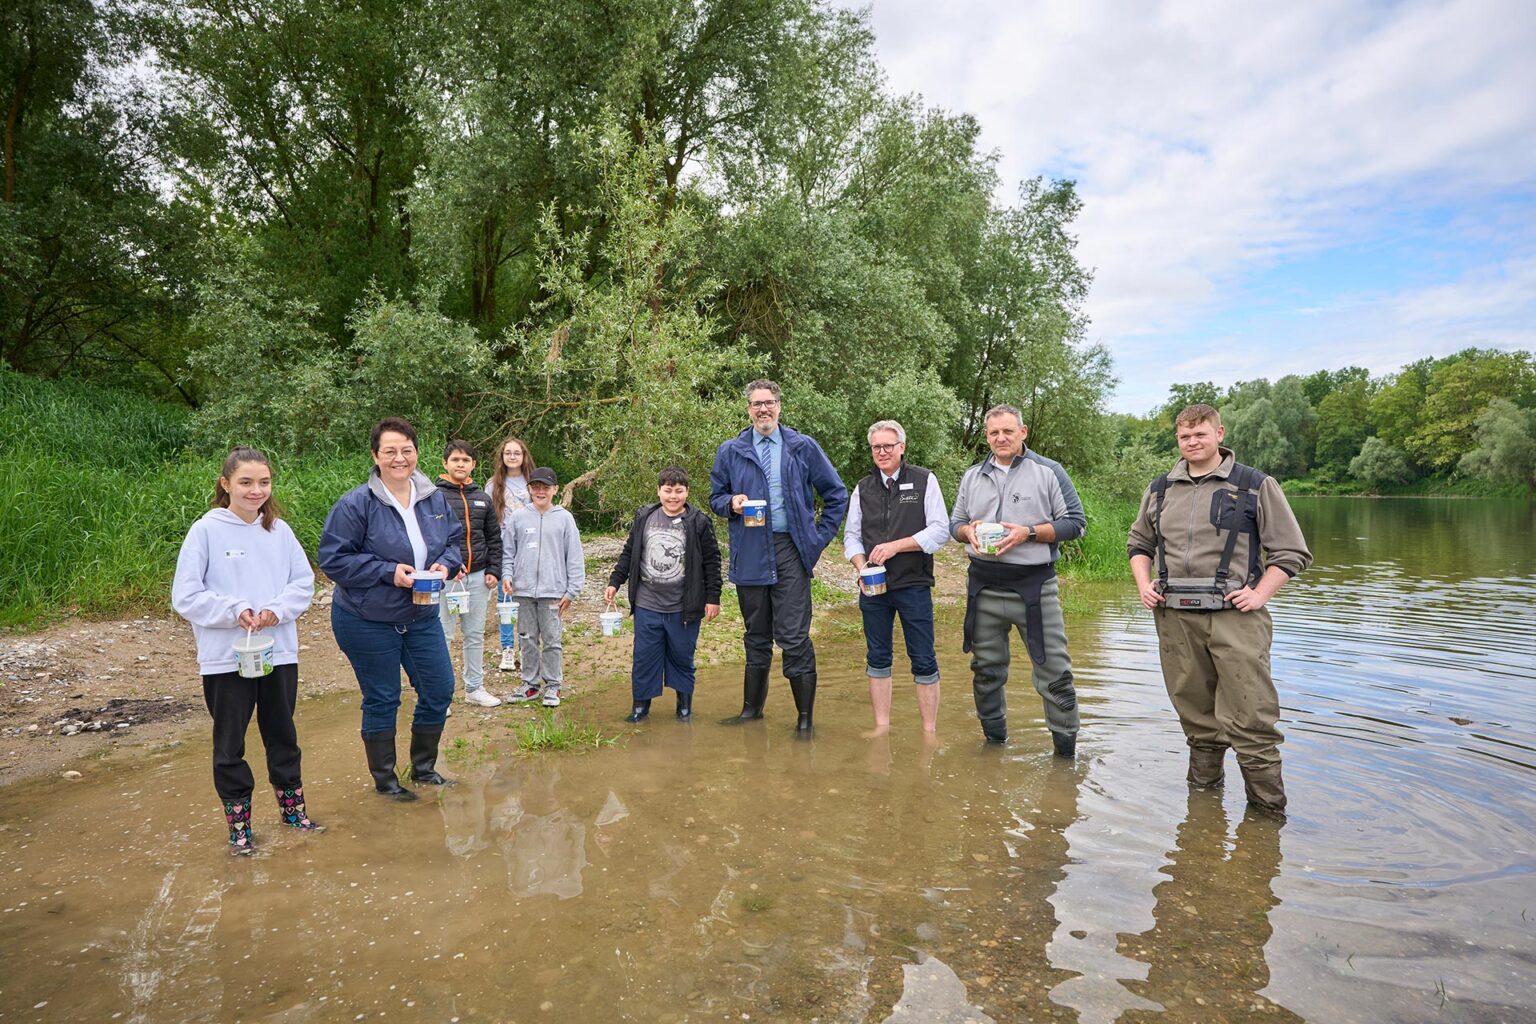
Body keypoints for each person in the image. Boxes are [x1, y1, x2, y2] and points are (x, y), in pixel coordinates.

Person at [1126, 403, 1312, 817]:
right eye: (1184, 436)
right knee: (1196, 718)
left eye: (1200, 435)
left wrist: (1261, 594)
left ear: (1220, 434)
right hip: (1174, 618)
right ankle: (1203, 813)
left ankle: (1267, 819)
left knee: (1251, 718)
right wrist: (1144, 585)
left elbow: (1292, 552)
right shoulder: (1160, 489)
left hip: (1236, 618)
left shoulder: (1254, 485)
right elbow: (1139, 545)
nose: (1192, 442)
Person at [172, 447, 321, 855]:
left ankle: (294, 813)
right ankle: (240, 829)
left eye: (264, 482)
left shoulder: (280, 531)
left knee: (282, 734)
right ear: (226, 485)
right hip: (225, 656)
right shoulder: (205, 531)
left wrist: (276, 610)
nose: (256, 490)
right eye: (246, 482)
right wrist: (235, 610)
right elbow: (185, 596)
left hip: (278, 652)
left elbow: (303, 583)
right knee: (229, 743)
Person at [318, 417, 463, 802]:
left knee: (439, 688)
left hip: (421, 613)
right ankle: (385, 782)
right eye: (390, 451)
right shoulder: (355, 504)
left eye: (407, 450)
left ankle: (424, 768)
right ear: (375, 456)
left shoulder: (433, 497)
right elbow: (333, 560)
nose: (399, 458)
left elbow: (454, 541)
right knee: (383, 697)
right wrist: (388, 572)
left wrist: (445, 564)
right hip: (366, 619)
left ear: (417, 452)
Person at [709, 378, 848, 733]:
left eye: (769, 402)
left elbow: (836, 494)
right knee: (755, 633)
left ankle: (805, 720)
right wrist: (731, 504)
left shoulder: (802, 446)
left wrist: (816, 541)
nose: (763, 409)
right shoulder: (730, 450)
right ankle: (750, 711)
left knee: (794, 635)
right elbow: (716, 498)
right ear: (748, 409)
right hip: (750, 550)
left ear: (779, 406)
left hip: (791, 549)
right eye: (756, 404)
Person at [950, 404, 1086, 754]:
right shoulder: (971, 476)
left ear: (1023, 432)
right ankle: (994, 747)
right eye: (994, 432)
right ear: (986, 436)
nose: (1001, 438)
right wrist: (968, 530)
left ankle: (1065, 759)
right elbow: (955, 525)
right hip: (982, 587)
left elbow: (1075, 524)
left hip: (1034, 588)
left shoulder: (1049, 472)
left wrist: (1027, 533)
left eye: (1008, 431)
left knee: (1055, 672)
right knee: (985, 671)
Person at [844, 420, 951, 734]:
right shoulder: (863, 488)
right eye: (876, 447)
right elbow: (851, 536)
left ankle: (929, 732)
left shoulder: (924, 480)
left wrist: (895, 547)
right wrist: (862, 568)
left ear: (901, 447)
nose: (882, 452)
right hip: (873, 589)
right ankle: (881, 728)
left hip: (913, 584)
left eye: (888, 446)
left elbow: (940, 530)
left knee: (923, 658)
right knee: (877, 656)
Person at [605, 466, 723, 723]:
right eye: (668, 490)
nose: (673, 496)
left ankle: (683, 706)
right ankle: (640, 707)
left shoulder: (699, 522)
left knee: (682, 656)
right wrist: (615, 581)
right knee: (644, 656)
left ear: (687, 492)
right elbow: (629, 552)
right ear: (659, 491)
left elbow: (712, 563)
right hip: (648, 603)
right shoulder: (645, 516)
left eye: (679, 491)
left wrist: (713, 598)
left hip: (684, 606)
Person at [501, 466, 585, 707]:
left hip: (553, 593)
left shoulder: (564, 518)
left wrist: (572, 590)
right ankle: (530, 684)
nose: (540, 491)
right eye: (535, 487)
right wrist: (507, 575)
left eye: (545, 487)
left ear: (555, 490)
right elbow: (508, 552)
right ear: (529, 489)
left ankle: (553, 686)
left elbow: (575, 557)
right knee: (526, 638)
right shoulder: (517, 517)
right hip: (524, 591)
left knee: (551, 640)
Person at [435, 440, 504, 707]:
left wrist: (493, 570)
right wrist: (446, 567)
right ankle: (441, 696)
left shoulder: (482, 498)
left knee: (474, 635)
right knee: (443, 635)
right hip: (446, 579)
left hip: (477, 579)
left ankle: (474, 688)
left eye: (465, 460)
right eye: (455, 460)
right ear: (445, 463)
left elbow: (493, 539)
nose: (460, 464)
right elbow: (430, 539)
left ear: (473, 464)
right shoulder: (434, 497)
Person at [489, 436, 536, 673]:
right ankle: (507, 650)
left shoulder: (533, 482)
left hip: (529, 550)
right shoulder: (493, 485)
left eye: (517, 452)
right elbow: (489, 522)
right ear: (502, 456)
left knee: (527, 602)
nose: (512, 456)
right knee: (505, 601)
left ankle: (526, 648)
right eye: (508, 453)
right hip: (503, 550)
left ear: (524, 456)